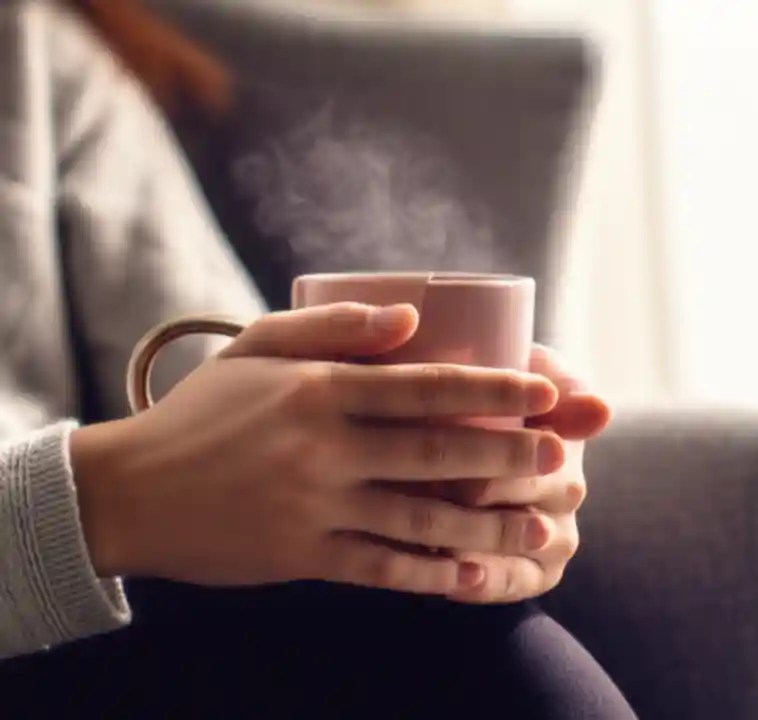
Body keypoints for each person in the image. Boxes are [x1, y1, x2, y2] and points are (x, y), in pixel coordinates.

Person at [0, 1, 637, 717]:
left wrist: (416, 470)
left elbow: (220, 387)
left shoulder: (32, 47)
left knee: (449, 633)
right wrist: (99, 502)